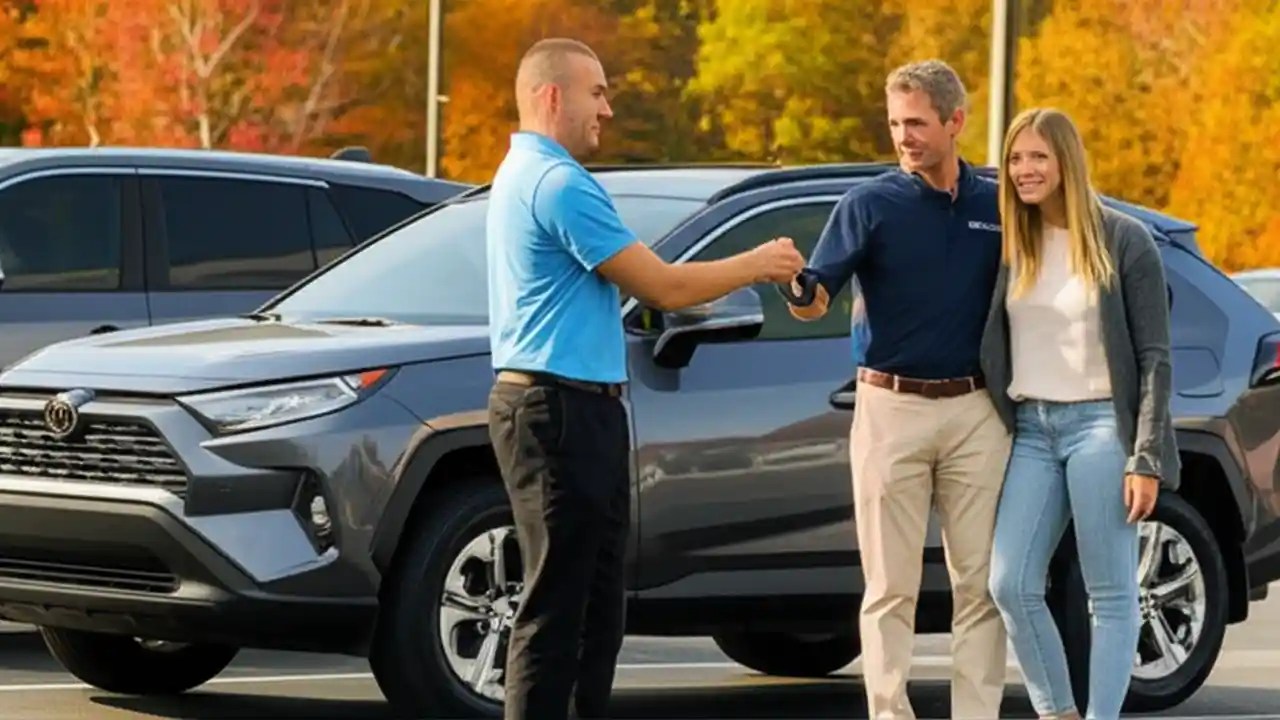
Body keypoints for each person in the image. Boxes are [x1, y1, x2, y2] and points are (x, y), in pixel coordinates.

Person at [485, 37, 806, 720]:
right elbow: (661, 286)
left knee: (594, 611)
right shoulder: (558, 182)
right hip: (557, 408)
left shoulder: (523, 172)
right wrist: (756, 264)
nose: (606, 107)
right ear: (551, 97)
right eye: (596, 91)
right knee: (559, 608)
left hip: (569, 407)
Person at [787, 59, 1011, 719]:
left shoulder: (995, 204)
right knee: (890, 586)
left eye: (915, 122)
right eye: (894, 123)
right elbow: (815, 294)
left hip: (977, 411)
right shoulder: (868, 205)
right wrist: (796, 284)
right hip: (890, 409)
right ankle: (889, 713)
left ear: (955, 122)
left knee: (981, 587)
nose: (903, 136)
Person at [981, 107, 1177, 720]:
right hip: (1033, 430)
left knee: (1111, 594)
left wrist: (1144, 457)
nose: (1024, 169)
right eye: (1015, 158)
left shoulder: (1124, 240)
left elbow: (1154, 358)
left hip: (1100, 427)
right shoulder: (1015, 243)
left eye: (1038, 156)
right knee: (1009, 584)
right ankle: (1059, 711)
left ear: (1068, 160)